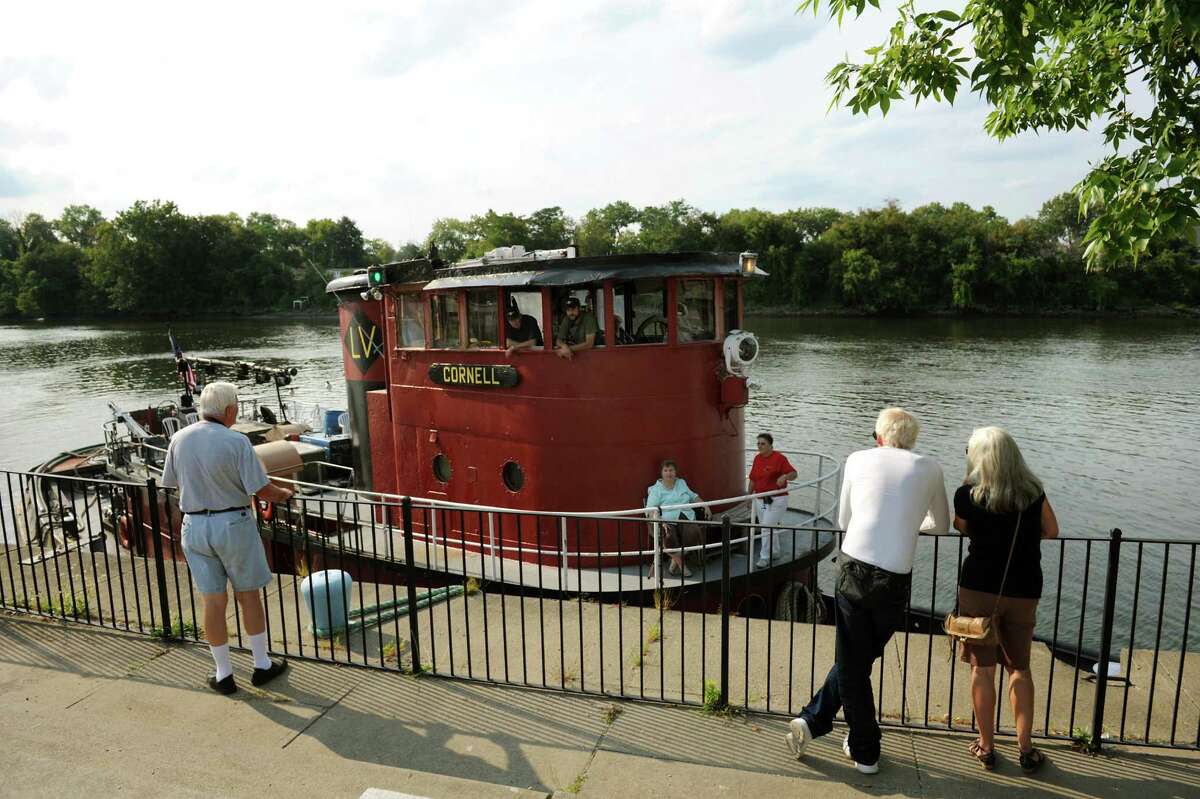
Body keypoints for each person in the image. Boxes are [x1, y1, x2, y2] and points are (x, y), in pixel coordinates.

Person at [786, 408, 950, 774]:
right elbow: (941, 526)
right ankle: (831, 730)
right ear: (912, 439)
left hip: (854, 572)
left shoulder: (857, 459)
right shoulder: (931, 467)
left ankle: (857, 745)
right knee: (857, 660)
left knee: (853, 662)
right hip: (894, 580)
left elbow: (843, 520)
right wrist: (910, 522)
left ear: (878, 436)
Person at [160, 381, 294, 695]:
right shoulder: (236, 441)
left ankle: (223, 673)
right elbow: (261, 489)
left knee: (213, 600)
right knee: (247, 594)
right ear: (230, 409)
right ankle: (261, 665)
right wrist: (285, 494)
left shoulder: (178, 439)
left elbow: (169, 482)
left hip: (194, 525)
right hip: (233, 522)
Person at [953, 426, 1058, 774]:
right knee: (1020, 668)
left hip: (979, 588)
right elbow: (1051, 530)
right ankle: (1026, 748)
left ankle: (986, 746)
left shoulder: (966, 495)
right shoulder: (1033, 493)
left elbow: (962, 526)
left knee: (981, 669)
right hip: (1024, 588)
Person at [645, 459, 712, 577]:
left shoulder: (681, 483)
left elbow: (693, 496)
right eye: (665, 470)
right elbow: (650, 509)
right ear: (661, 473)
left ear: (675, 472)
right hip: (667, 519)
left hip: (685, 516)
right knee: (668, 537)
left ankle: (673, 562)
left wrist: (705, 505)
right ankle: (682, 565)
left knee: (694, 533)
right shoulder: (656, 489)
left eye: (671, 470)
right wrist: (660, 522)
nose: (668, 473)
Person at [747, 433, 798, 569]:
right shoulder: (757, 459)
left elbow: (794, 474)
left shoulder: (779, 458)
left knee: (766, 527)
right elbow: (753, 479)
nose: (759, 446)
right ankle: (775, 551)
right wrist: (748, 496)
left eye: (763, 443)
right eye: (758, 443)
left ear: (770, 445)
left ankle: (764, 557)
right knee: (768, 525)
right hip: (760, 500)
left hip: (777, 500)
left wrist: (785, 476)